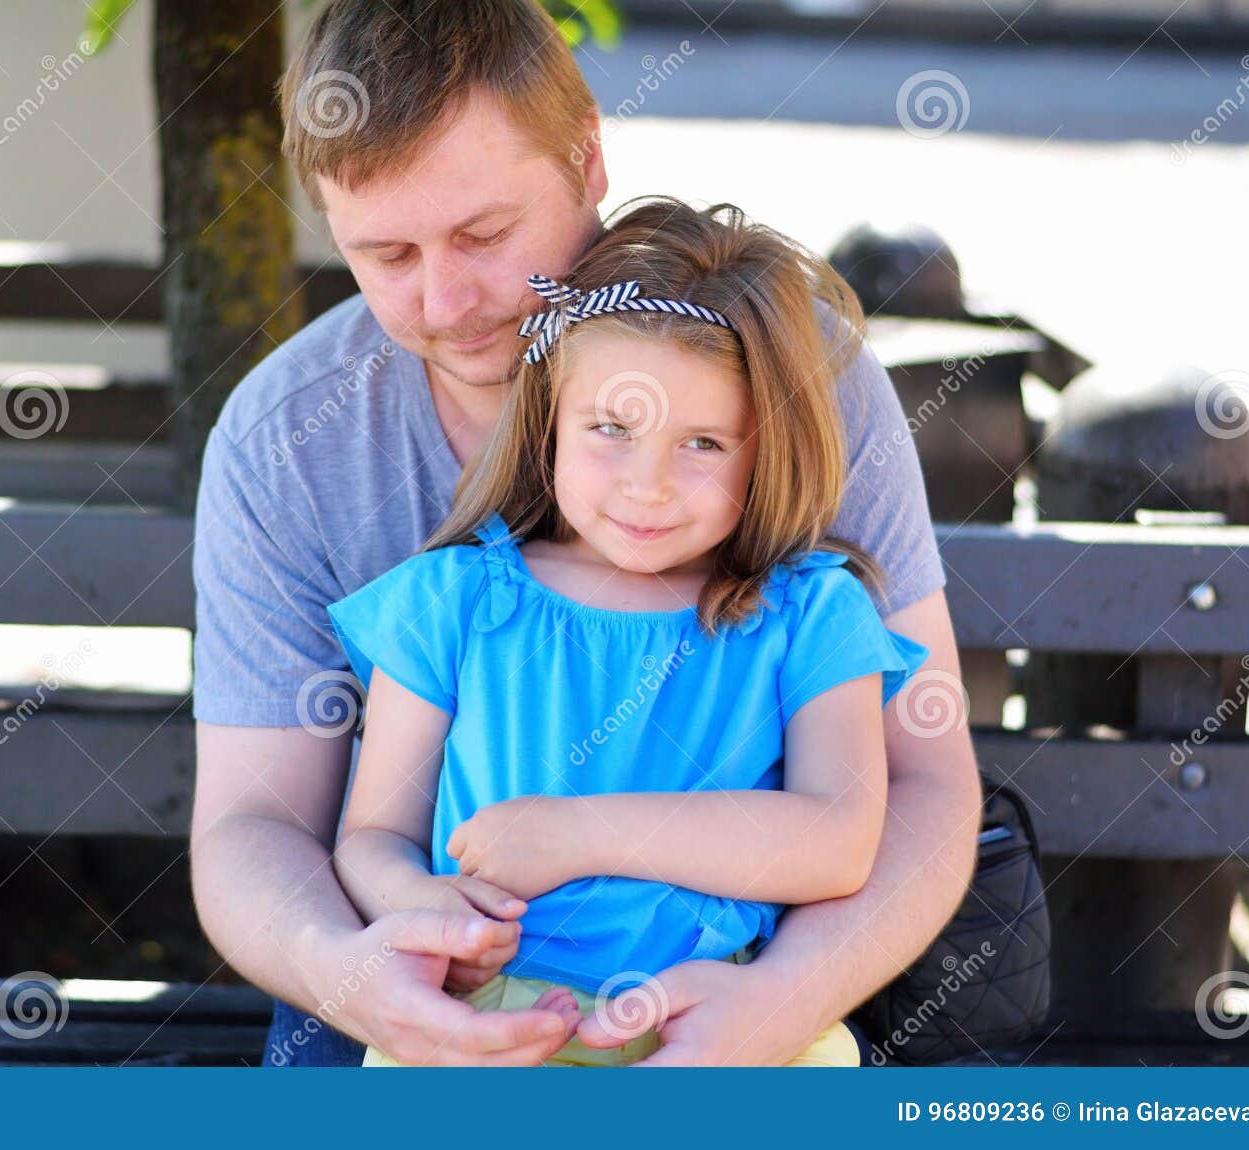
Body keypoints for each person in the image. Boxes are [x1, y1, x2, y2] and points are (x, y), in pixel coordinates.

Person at [190, 0, 981, 1067]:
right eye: (383, 254)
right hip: (404, 981)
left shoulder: (793, 372)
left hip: (762, 982)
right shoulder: (289, 439)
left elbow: (923, 780)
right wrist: (357, 970)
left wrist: (782, 1002)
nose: (447, 300)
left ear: (587, 158)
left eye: (484, 234)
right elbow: (254, 822)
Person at [329, 198, 932, 1066]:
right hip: (478, 1031)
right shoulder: (451, 600)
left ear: (768, 450)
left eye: (704, 444)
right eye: (612, 428)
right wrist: (422, 906)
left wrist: (579, 834)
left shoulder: (808, 616)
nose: (647, 486)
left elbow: (838, 840)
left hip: (721, 1027)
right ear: (550, 418)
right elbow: (371, 837)